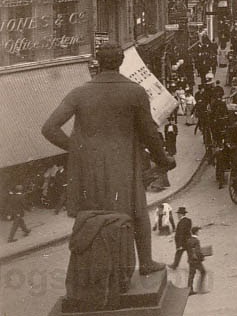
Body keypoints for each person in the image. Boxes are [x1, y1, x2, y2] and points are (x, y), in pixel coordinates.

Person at [42, 42, 176, 274]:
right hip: (124, 167)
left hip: (90, 172)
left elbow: (49, 128)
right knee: (138, 213)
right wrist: (164, 160)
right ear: (121, 61)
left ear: (98, 62)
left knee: (93, 219)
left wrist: (78, 149)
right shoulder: (135, 91)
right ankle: (145, 262)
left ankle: (96, 270)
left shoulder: (79, 92)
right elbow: (150, 134)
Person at [186, 226, 206, 295]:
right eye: (198, 231)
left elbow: (188, 251)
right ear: (196, 232)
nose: (199, 232)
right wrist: (202, 257)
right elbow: (197, 252)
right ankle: (200, 288)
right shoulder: (196, 241)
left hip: (190, 260)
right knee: (203, 272)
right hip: (196, 261)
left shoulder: (188, 240)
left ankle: (189, 289)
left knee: (191, 275)